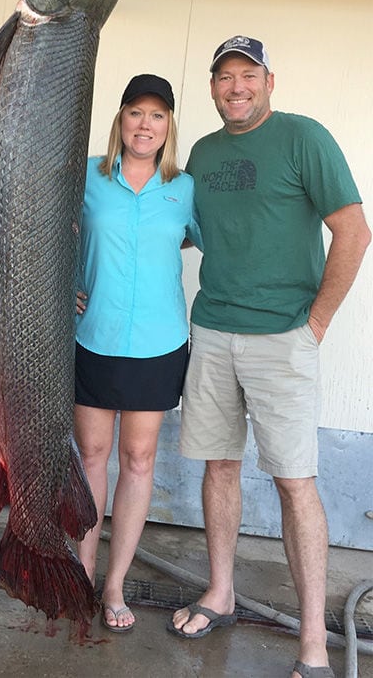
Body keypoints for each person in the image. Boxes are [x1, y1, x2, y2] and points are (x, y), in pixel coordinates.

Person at [168, 36, 371, 678]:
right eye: (224, 77)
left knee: (294, 482)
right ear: (212, 87)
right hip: (214, 330)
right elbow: (183, 230)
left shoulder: (303, 138)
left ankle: (314, 637)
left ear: (269, 81)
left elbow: (354, 230)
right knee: (219, 468)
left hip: (283, 338)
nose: (236, 87)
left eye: (247, 75)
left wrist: (315, 324)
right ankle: (221, 593)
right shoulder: (201, 152)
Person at [74, 74, 201, 632]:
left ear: (168, 124)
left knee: (139, 460)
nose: (144, 124)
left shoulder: (185, 188)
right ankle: (80, 572)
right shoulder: (88, 178)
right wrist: (66, 281)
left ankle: (115, 584)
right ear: (120, 119)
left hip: (158, 342)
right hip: (93, 335)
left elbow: (199, 234)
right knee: (92, 456)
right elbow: (53, 231)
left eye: (156, 115)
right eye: (134, 113)